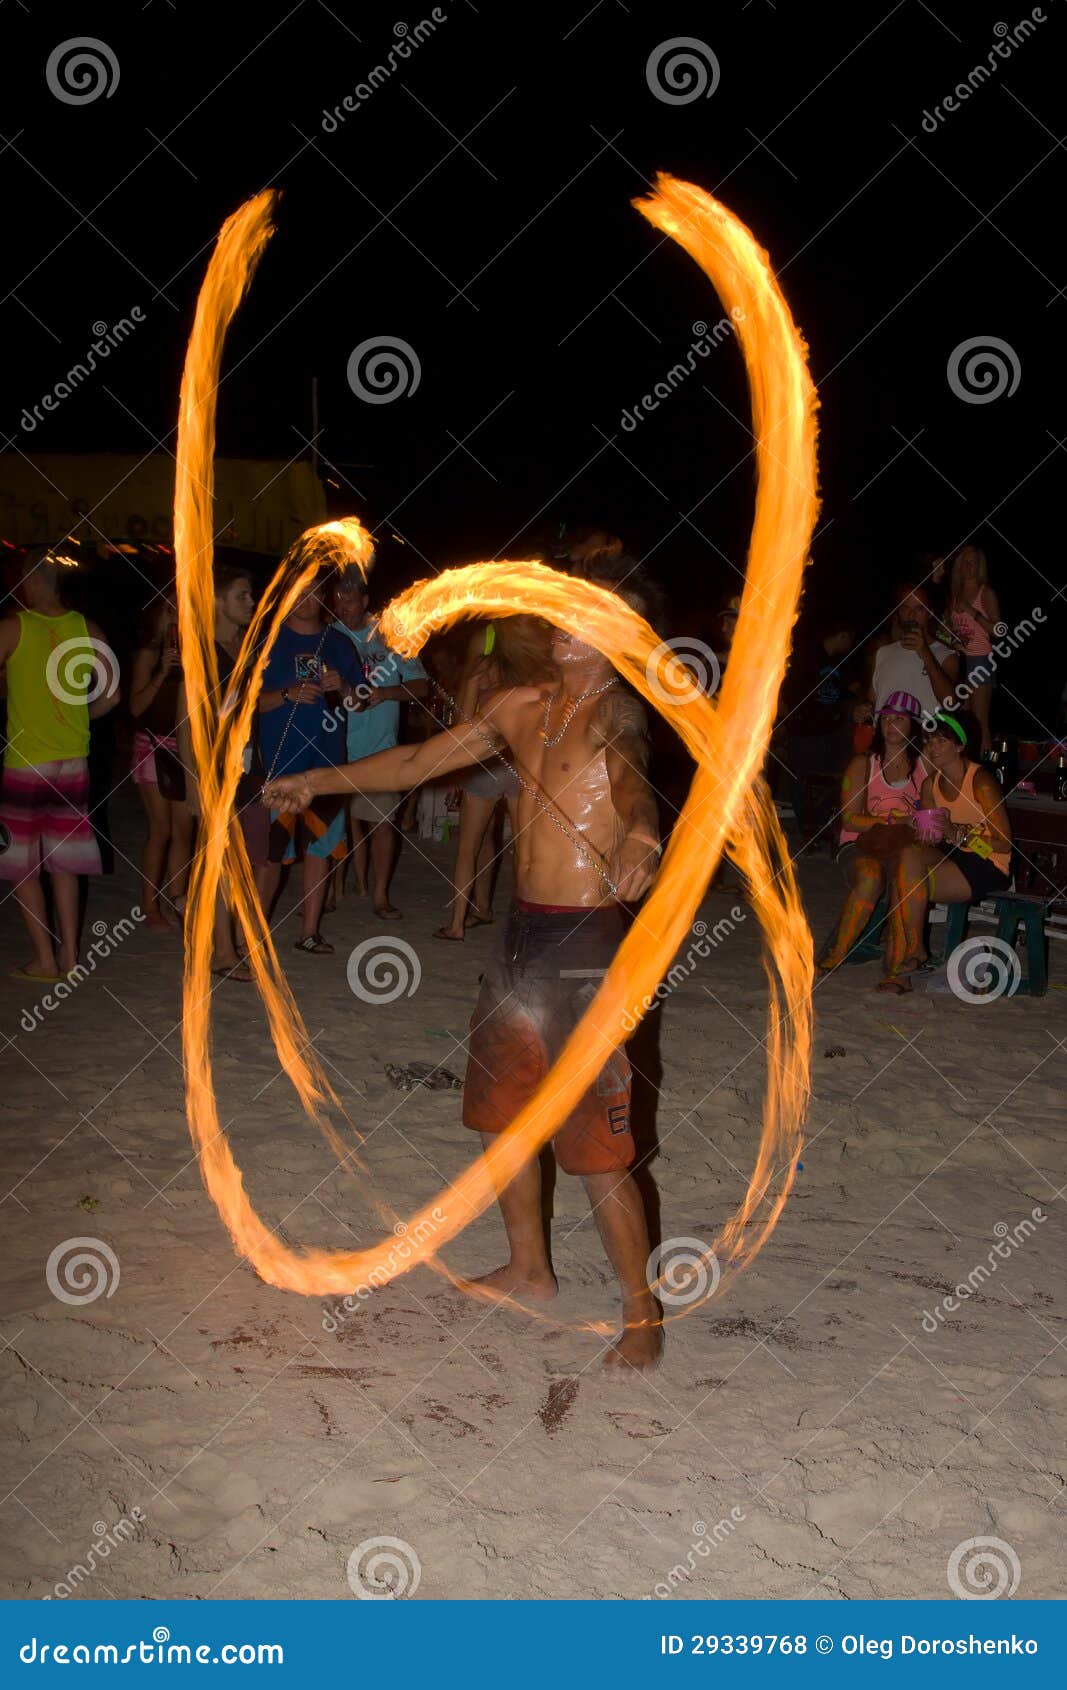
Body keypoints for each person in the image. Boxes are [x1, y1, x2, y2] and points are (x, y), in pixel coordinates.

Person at [264, 559, 665, 1370]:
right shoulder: (519, 707)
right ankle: (529, 1268)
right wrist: (317, 779)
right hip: (520, 937)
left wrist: (643, 837)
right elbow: (416, 765)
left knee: (597, 1148)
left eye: (578, 615)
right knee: (500, 1116)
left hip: (586, 947)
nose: (558, 623)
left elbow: (632, 791)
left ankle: (641, 1309)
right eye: (557, 612)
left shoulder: (616, 717)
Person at [0, 545, 119, 979]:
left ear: (30, 581)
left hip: (26, 762)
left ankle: (44, 959)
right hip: (73, 762)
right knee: (65, 863)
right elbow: (113, 698)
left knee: (21, 866)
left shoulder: (12, 628)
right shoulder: (88, 628)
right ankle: (71, 955)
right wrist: (75, 719)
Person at [258, 571, 362, 954]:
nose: (308, 599)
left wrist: (345, 689)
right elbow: (245, 702)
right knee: (271, 854)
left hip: (327, 763)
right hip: (278, 764)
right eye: (300, 592)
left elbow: (360, 700)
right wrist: (286, 694)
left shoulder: (338, 643)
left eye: (315, 592)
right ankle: (254, 932)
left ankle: (309, 932)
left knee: (321, 848)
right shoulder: (267, 641)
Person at [434, 616, 556, 941]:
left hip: (488, 760)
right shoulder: (537, 658)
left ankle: (457, 923)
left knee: (469, 846)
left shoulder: (485, 657)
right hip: (519, 760)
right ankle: (519, 921)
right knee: (522, 848)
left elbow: (461, 722)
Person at [176, 563, 268, 981]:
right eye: (242, 596)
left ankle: (204, 924)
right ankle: (222, 952)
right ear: (217, 601)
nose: (251, 602)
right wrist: (194, 781)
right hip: (214, 770)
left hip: (244, 765)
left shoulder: (241, 649)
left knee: (238, 859)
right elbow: (186, 723)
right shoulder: (202, 653)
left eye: (251, 595)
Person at [879, 710, 1012, 994]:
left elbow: (1003, 844)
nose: (932, 747)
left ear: (960, 746)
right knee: (907, 858)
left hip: (986, 862)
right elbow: (929, 842)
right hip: (953, 857)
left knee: (902, 885)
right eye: (929, 740)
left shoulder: (980, 782)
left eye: (941, 741)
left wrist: (960, 835)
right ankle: (913, 951)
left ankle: (898, 969)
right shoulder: (931, 785)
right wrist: (916, 827)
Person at [330, 570, 428, 921]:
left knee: (382, 825)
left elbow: (420, 686)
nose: (343, 608)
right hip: (336, 744)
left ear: (365, 600)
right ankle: (331, 891)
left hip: (380, 748)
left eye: (350, 600)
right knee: (332, 825)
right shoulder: (327, 636)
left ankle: (380, 896)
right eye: (337, 600)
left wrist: (385, 693)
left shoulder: (389, 637)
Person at [816, 692, 926, 972]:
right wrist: (897, 820)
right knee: (870, 875)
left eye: (899, 719)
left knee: (906, 874)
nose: (891, 725)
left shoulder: (925, 768)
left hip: (902, 847)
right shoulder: (863, 764)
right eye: (886, 719)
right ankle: (839, 952)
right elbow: (850, 820)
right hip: (859, 844)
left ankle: (902, 960)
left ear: (913, 724)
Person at [129, 596, 196, 930]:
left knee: (184, 830)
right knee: (161, 830)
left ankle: (179, 900)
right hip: (152, 746)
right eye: (172, 609)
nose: (178, 616)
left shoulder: (197, 652)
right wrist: (162, 673)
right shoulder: (149, 654)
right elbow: (136, 709)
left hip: (184, 747)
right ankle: (148, 906)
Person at [781, 616, 856, 848]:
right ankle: (807, 831)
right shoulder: (805, 658)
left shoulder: (838, 663)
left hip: (830, 733)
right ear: (841, 635)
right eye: (850, 639)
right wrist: (789, 722)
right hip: (804, 732)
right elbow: (784, 690)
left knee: (831, 779)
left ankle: (820, 827)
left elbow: (845, 694)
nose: (851, 645)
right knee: (802, 779)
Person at [867, 583, 961, 723]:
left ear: (930, 613)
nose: (911, 615)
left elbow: (950, 703)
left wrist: (925, 653)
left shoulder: (947, 655)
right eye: (905, 609)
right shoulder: (883, 652)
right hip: (885, 740)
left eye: (919, 609)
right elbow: (873, 702)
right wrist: (863, 710)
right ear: (898, 613)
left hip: (922, 740)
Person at [947, 544, 1000, 754]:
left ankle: (985, 766)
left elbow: (998, 630)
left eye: (972, 562)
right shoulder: (955, 594)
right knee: (964, 718)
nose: (968, 566)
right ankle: (968, 764)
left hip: (980, 660)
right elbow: (955, 630)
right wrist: (954, 640)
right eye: (964, 562)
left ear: (979, 566)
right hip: (962, 660)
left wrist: (971, 611)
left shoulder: (985, 592)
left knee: (980, 721)